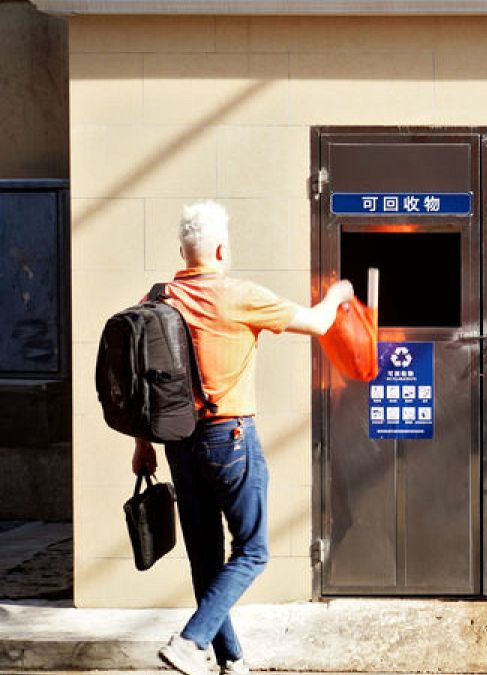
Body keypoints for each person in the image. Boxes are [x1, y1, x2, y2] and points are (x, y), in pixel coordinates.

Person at [130, 200, 354, 675]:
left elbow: (141, 382)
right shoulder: (239, 295)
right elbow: (318, 323)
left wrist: (142, 444)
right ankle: (191, 642)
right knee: (253, 551)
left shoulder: (157, 298)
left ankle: (232, 660)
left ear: (183, 252)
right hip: (228, 437)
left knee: (206, 559)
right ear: (219, 250)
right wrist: (338, 294)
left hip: (177, 442)